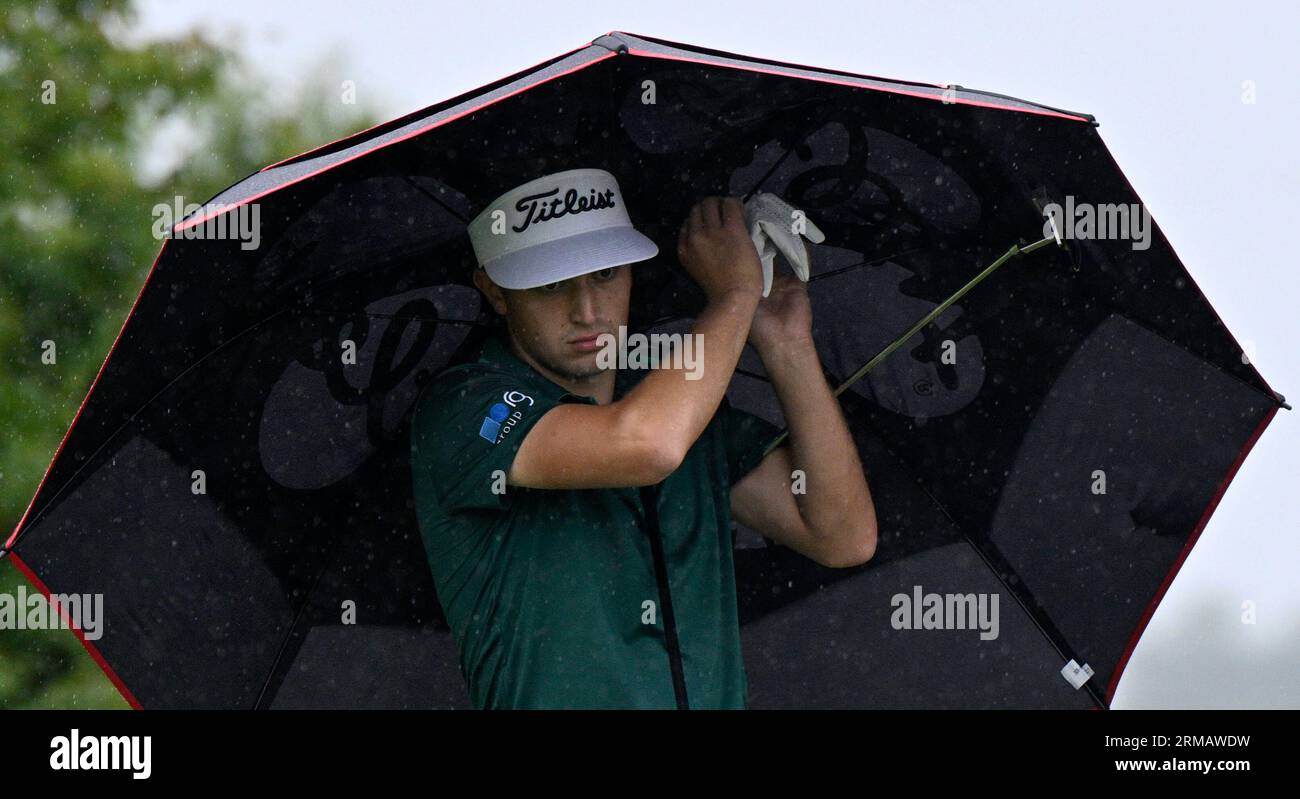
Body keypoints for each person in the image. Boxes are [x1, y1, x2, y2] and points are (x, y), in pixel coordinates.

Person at [409, 167, 876, 709]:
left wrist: (783, 338)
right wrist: (734, 293)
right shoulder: (465, 403)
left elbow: (843, 536)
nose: (585, 311)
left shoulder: (677, 404)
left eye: (605, 275)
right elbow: (647, 446)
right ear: (494, 290)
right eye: (550, 284)